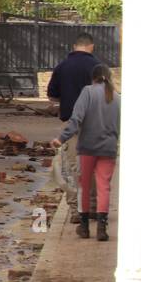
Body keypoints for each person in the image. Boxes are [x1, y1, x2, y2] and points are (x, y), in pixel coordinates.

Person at [52, 65, 120, 241]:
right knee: (104, 187)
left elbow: (76, 119)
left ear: (93, 78)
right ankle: (102, 228)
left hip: (87, 148)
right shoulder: (118, 98)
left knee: (83, 185)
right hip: (109, 149)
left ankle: (84, 227)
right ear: (109, 78)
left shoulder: (87, 92)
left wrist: (62, 138)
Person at [47, 32, 100, 221]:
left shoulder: (62, 67)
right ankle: (92, 207)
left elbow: (52, 94)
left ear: (74, 46)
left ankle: (77, 209)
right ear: (91, 46)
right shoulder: (98, 67)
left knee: (70, 167)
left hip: (72, 125)